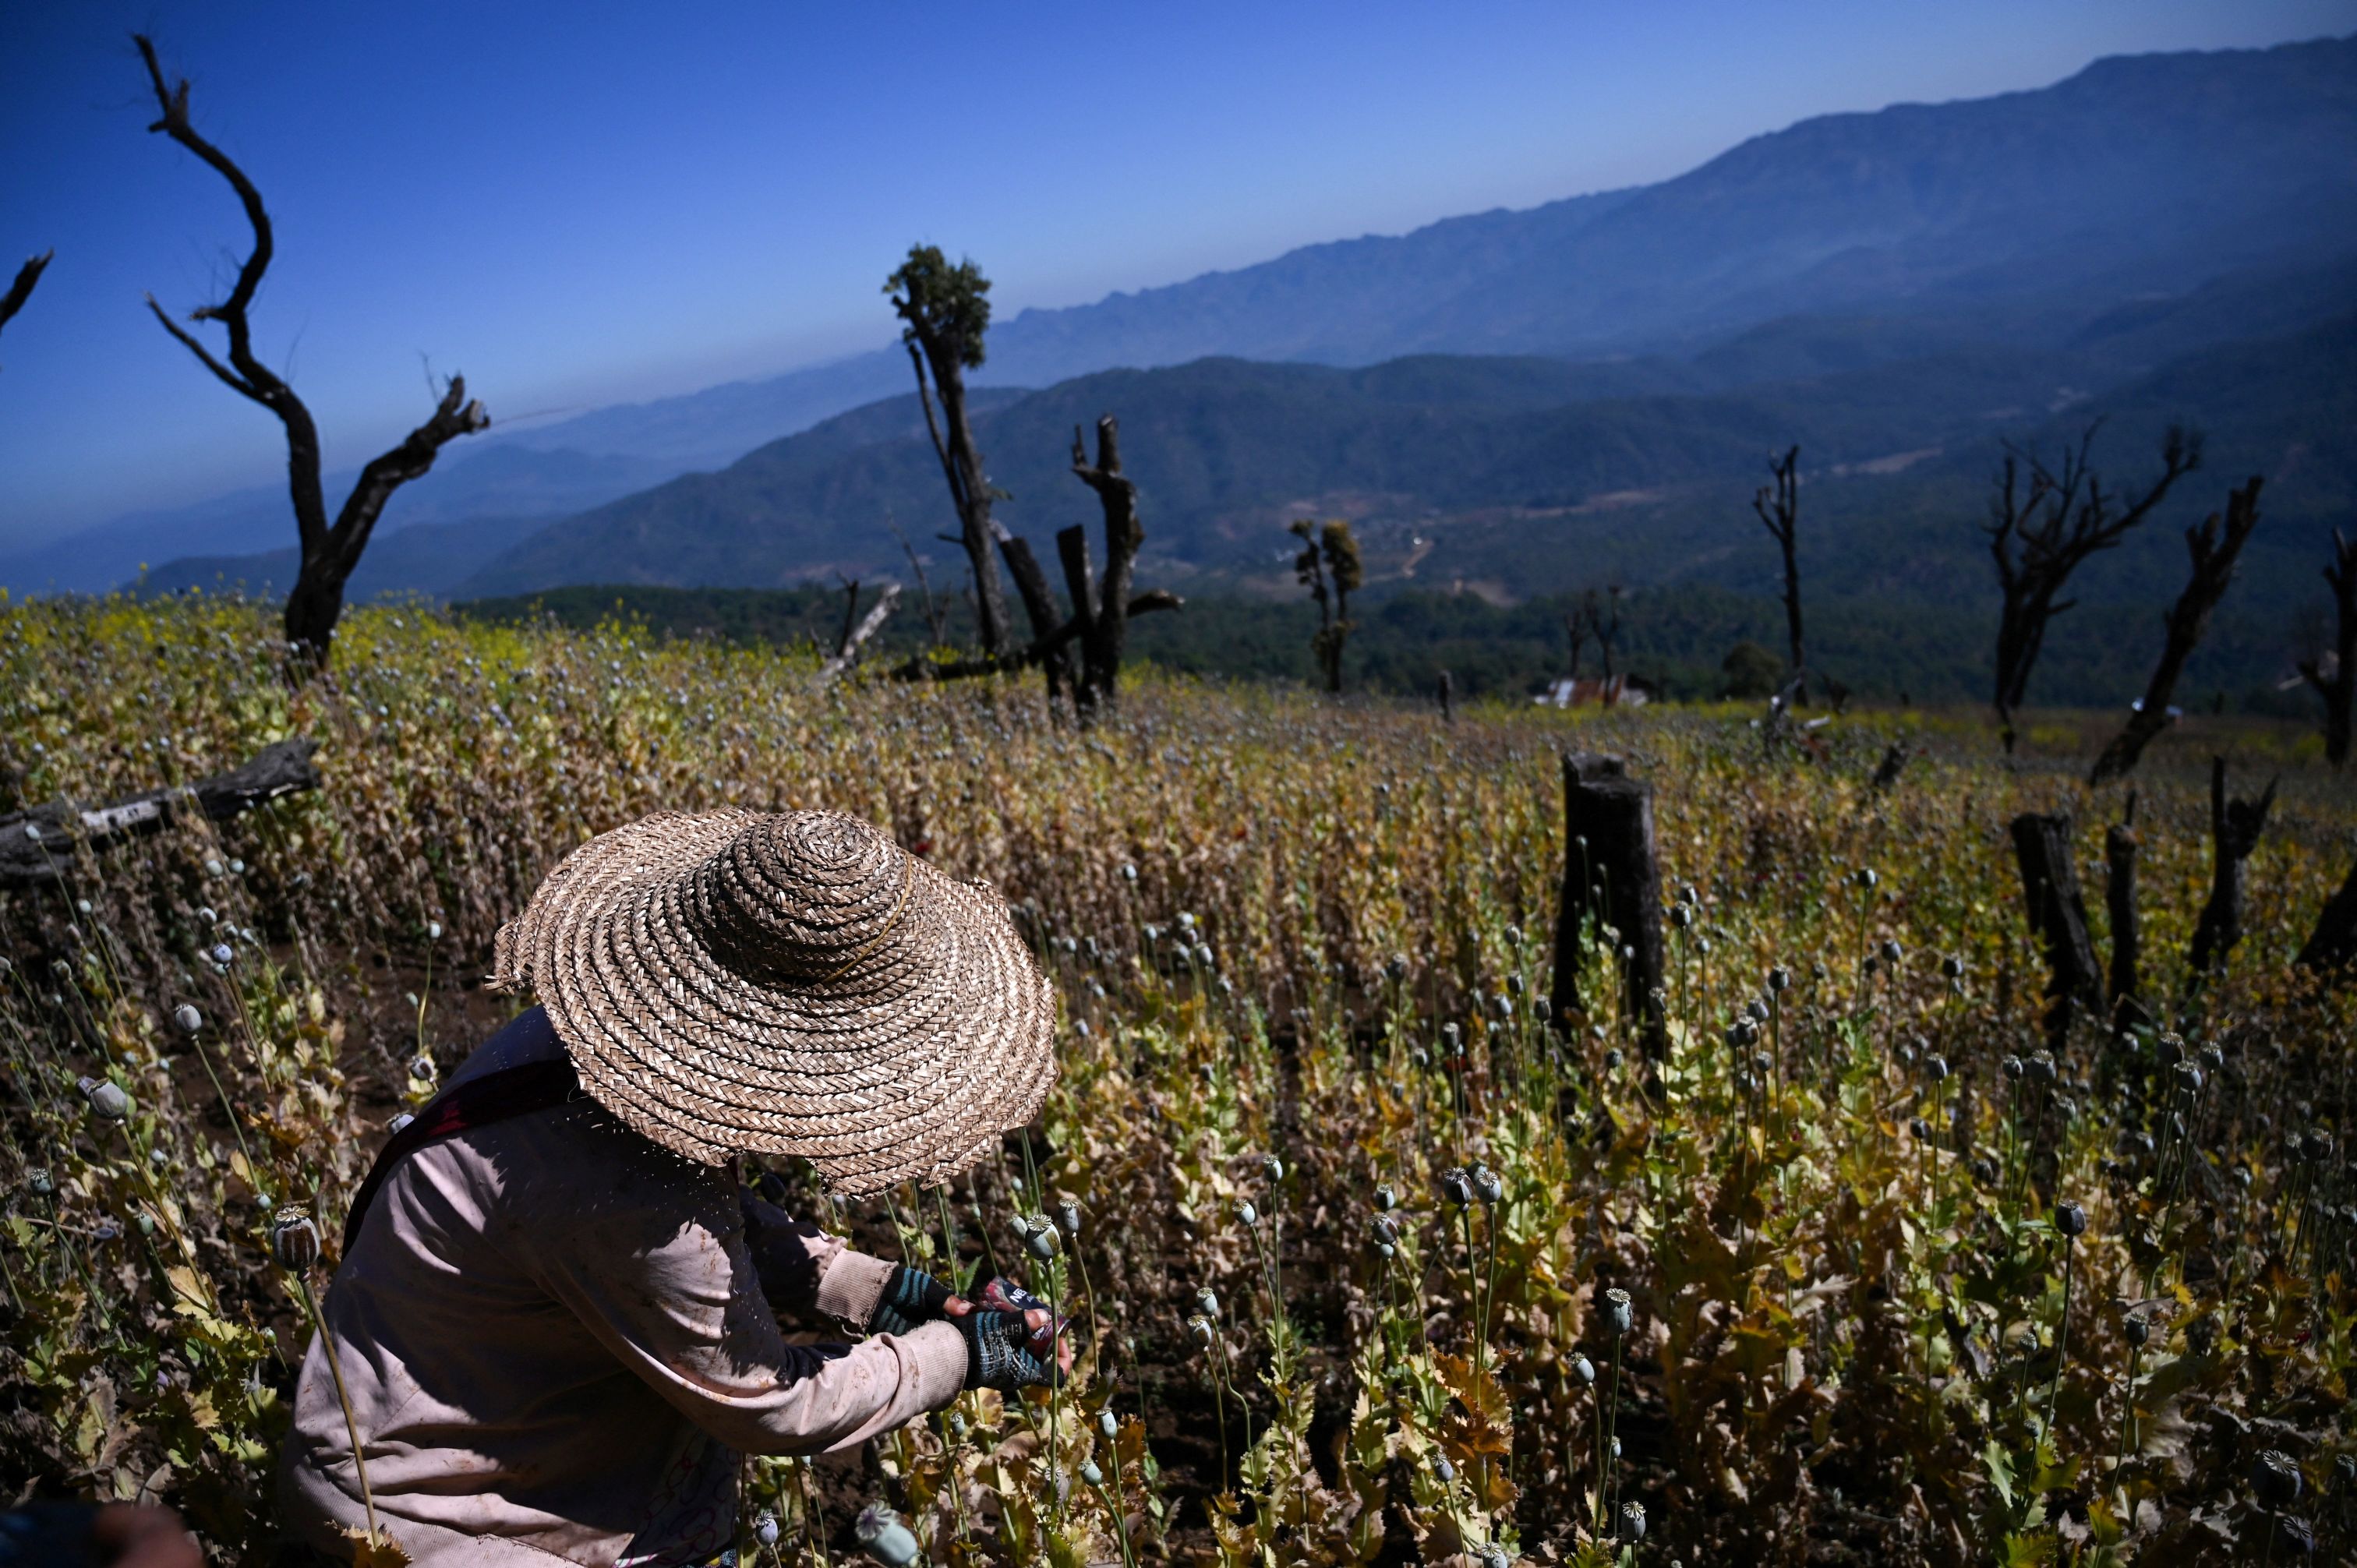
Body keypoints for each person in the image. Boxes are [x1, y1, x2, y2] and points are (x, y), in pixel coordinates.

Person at [276, 810, 1063, 1565]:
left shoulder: (581, 1041)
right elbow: (774, 1405)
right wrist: (962, 1354)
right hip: (424, 1510)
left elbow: (699, 1217)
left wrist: (877, 1290)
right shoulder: (626, 1196)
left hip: (502, 1410)